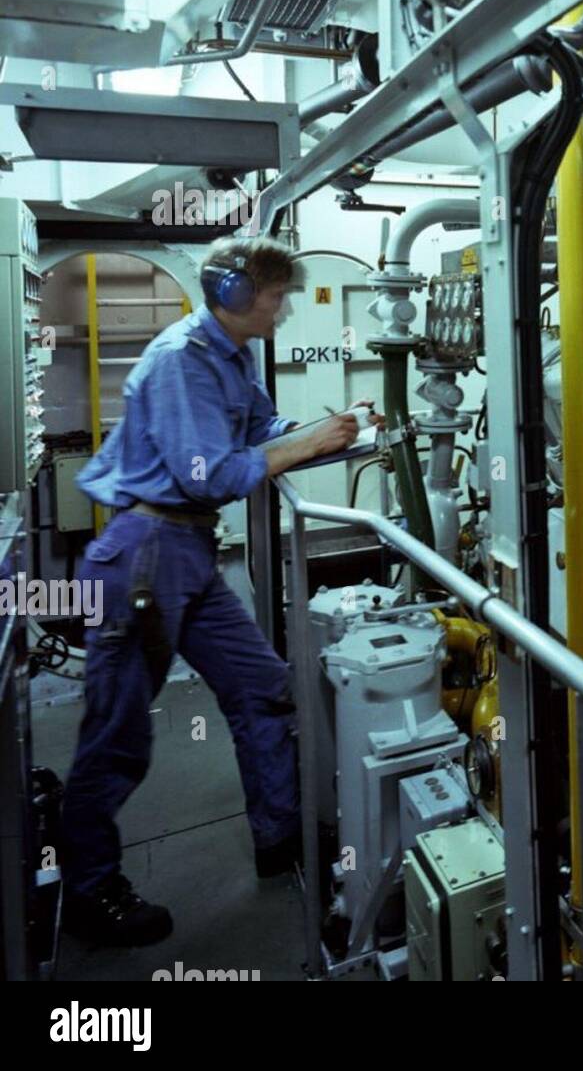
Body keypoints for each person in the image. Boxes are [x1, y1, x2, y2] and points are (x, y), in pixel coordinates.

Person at [61, 235, 377, 946]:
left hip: (188, 552)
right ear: (235, 294)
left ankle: (279, 834)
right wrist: (304, 447)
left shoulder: (233, 355)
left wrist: (329, 431)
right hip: (146, 554)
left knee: (266, 687)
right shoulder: (182, 360)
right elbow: (207, 472)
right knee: (118, 734)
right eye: (277, 295)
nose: (286, 308)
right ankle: (89, 890)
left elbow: (262, 429)